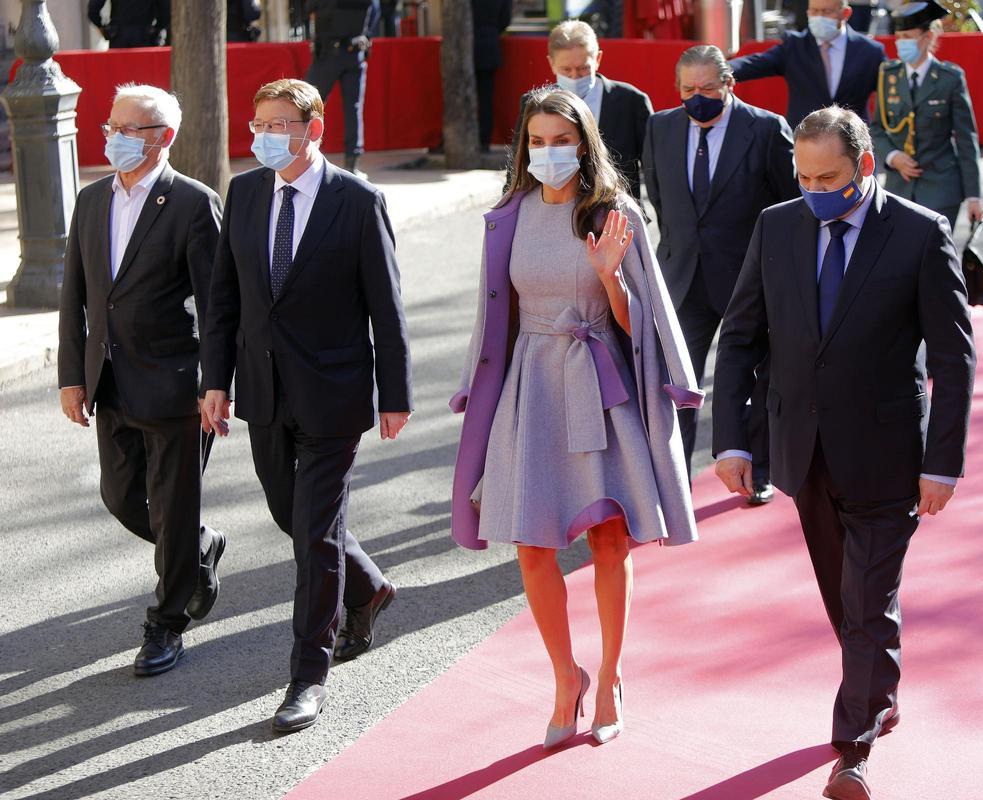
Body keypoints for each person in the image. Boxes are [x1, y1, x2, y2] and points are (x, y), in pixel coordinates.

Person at [712, 106, 975, 800]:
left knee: (867, 599)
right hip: (804, 453)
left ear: (863, 165)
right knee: (847, 603)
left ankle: (850, 751)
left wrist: (942, 461)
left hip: (888, 457)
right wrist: (734, 439)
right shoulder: (777, 226)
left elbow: (954, 357)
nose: (815, 190)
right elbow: (741, 337)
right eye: (804, 177)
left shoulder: (921, 235)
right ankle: (879, 690)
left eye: (828, 177)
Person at [449, 87, 701, 750]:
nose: (550, 152)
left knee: (608, 541)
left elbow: (638, 328)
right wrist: (473, 391)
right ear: (523, 147)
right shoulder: (506, 217)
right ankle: (567, 678)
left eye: (563, 141)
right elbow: (491, 317)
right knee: (532, 547)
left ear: (585, 146)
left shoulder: (612, 215)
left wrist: (611, 276)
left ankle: (613, 674)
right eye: (539, 140)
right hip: (529, 390)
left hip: (598, 385)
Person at [201, 78, 413, 733]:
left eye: (281, 123)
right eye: (258, 122)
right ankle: (369, 586)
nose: (265, 134)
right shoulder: (242, 193)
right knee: (289, 512)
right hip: (263, 391)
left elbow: (386, 303)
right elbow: (223, 298)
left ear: (314, 129)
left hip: (334, 393)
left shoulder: (357, 200)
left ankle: (306, 677)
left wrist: (394, 393)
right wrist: (216, 381)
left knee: (314, 537)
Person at [58, 84, 225, 678]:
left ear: (164, 139)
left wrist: (216, 383)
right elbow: (75, 294)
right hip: (110, 380)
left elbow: (215, 302)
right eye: (111, 126)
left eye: (129, 130)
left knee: (172, 504)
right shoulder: (91, 199)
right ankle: (198, 543)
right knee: (122, 497)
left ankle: (167, 623)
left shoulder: (193, 203)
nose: (114, 139)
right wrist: (71, 376)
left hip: (177, 384)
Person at [642, 45, 798, 503]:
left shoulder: (767, 130)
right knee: (677, 383)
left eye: (707, 88)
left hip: (750, 280)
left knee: (755, 379)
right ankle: (673, 481)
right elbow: (662, 200)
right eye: (688, 89)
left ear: (728, 84)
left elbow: (791, 207)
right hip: (684, 279)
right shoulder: (660, 127)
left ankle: (758, 469)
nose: (697, 97)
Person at [870, 0, 983, 231]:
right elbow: (878, 128)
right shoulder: (889, 76)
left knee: (934, 260)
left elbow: (965, 138)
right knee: (902, 260)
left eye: (908, 36)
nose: (902, 43)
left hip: (941, 188)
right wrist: (892, 157)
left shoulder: (949, 78)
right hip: (899, 190)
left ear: (928, 36)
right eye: (899, 36)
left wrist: (973, 196)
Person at [512, 21, 653, 201]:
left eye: (583, 68)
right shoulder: (532, 104)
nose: (574, 76)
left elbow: (654, 169)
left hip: (617, 215)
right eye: (566, 70)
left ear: (598, 59)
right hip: (552, 210)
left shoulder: (631, 102)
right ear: (551, 63)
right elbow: (518, 167)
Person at [730, 0, 886, 127]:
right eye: (814, 11)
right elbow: (754, 64)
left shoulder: (870, 51)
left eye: (826, 12)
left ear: (845, 13)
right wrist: (722, 70)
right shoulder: (794, 46)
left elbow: (892, 90)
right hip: (805, 142)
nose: (819, 17)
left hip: (852, 146)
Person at [304, 0, 380, 177]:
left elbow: (310, 9)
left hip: (328, 54)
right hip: (355, 53)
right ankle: (352, 165)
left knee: (305, 105)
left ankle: (300, 156)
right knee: (353, 109)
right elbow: (374, 16)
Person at [474, 0, 514, 149]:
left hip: (469, 47)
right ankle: (484, 140)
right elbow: (505, 20)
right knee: (486, 99)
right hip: (489, 46)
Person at [88, 0, 169, 48]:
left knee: (119, 75)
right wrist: (157, 28)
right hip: (145, 37)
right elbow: (166, 10)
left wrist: (103, 28)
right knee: (145, 75)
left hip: (118, 37)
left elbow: (93, 9)